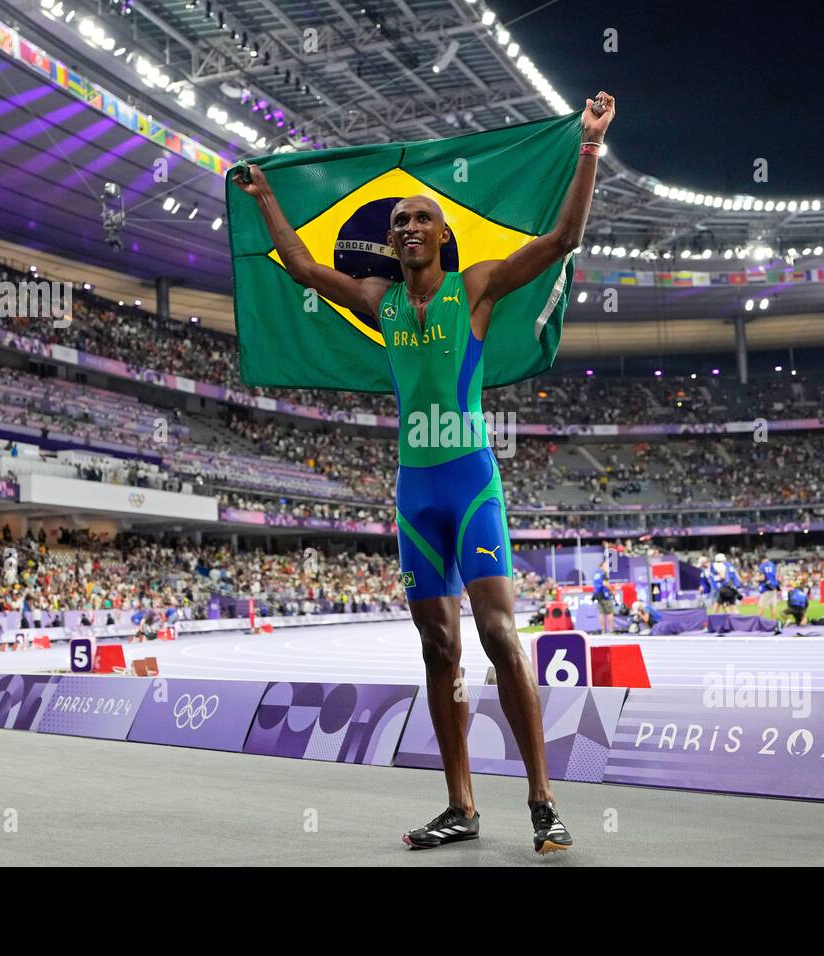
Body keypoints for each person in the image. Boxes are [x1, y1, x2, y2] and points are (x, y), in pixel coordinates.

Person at [233, 90, 616, 854]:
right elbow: (304, 267)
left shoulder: (475, 288)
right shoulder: (378, 302)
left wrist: (588, 147)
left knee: (503, 638)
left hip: (471, 484)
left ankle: (542, 801)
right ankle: (461, 806)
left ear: (443, 234)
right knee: (438, 651)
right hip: (414, 495)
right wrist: (269, 195)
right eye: (397, 221)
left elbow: (564, 236)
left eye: (420, 218)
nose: (407, 226)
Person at [592, 559, 615, 635]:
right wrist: (612, 590)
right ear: (602, 566)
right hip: (605, 595)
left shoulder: (595, 574)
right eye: (606, 565)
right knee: (609, 613)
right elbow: (605, 584)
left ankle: (603, 631)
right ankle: (611, 630)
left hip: (598, 595)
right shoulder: (603, 573)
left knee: (601, 613)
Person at [756, 555, 780, 619]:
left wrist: (756, 579)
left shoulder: (762, 565)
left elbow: (762, 578)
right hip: (774, 587)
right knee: (773, 606)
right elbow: (776, 576)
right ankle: (773, 622)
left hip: (766, 588)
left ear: (761, 560)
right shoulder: (773, 565)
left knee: (762, 606)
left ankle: (758, 623)